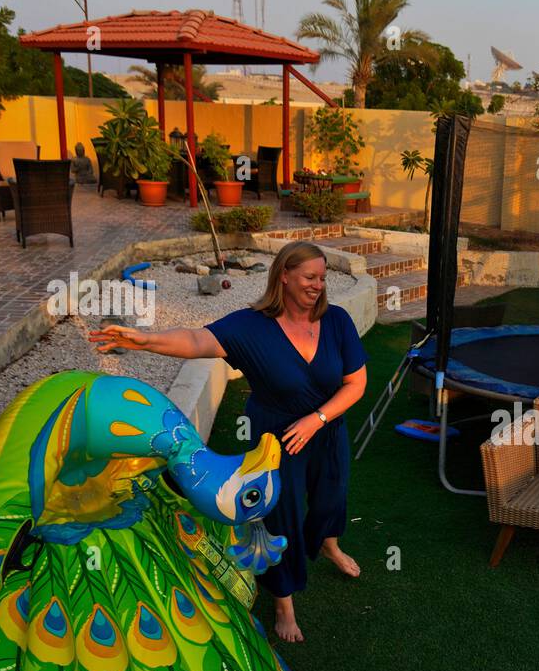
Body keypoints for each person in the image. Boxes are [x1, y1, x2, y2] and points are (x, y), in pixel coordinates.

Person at [91, 240, 368, 643]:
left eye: (322, 278)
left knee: (332, 495)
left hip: (325, 428)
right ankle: (284, 601)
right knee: (281, 515)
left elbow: (356, 383)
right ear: (284, 276)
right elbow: (196, 340)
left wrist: (317, 419)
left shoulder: (337, 321)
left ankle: (329, 544)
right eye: (310, 277)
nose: (318, 286)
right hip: (276, 437)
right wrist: (144, 340)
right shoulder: (250, 327)